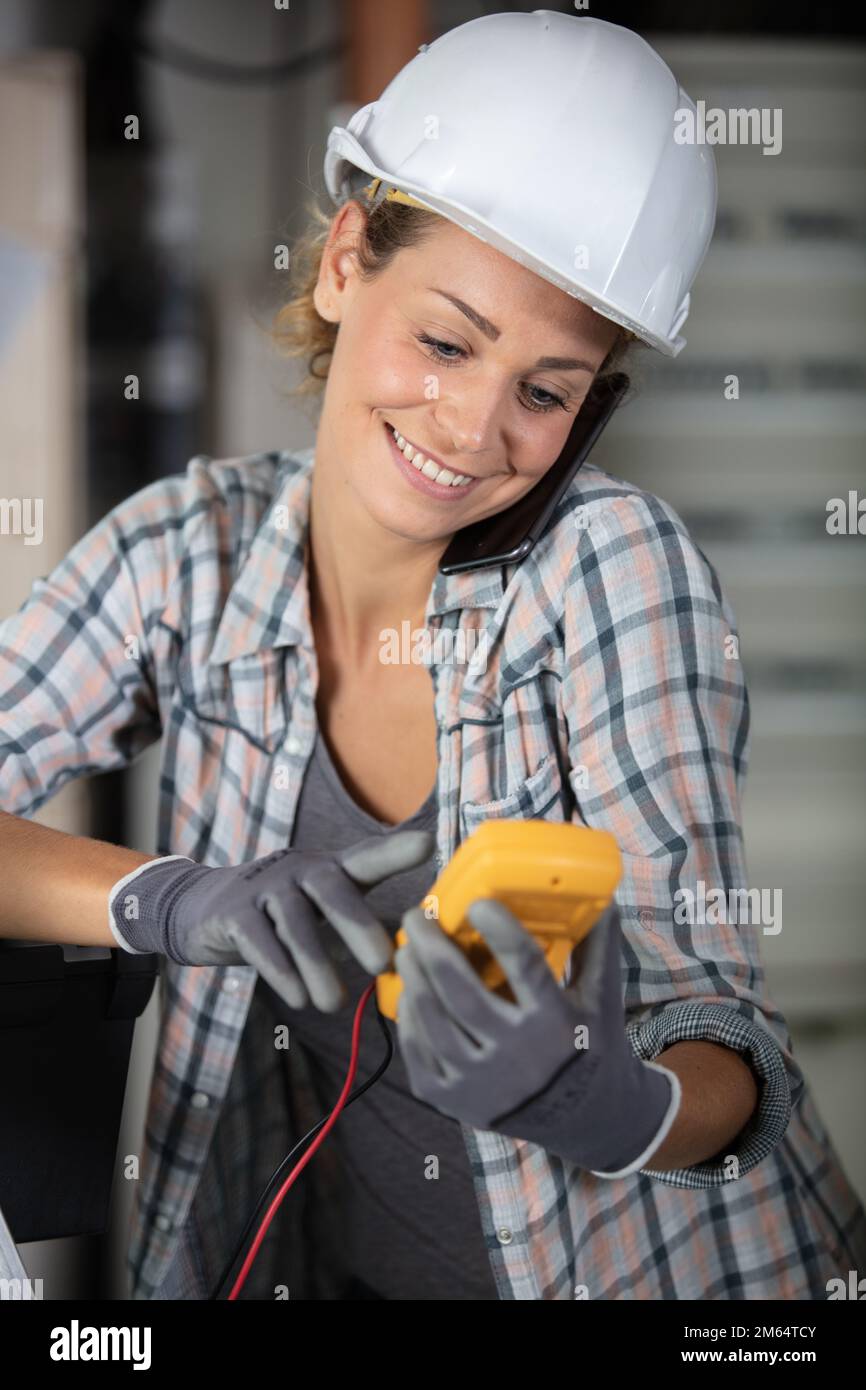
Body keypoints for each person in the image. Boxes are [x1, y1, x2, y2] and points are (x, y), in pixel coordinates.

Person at [1, 11, 864, 1301]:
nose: (472, 426)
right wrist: (173, 901)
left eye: (546, 388)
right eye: (448, 341)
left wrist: (611, 1103)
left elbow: (724, 1044)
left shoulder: (610, 572)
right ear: (347, 261)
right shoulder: (187, 552)